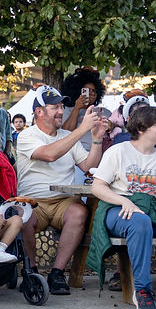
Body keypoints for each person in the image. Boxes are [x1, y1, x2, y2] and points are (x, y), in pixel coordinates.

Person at [16, 85, 107, 294]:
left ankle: (57, 273)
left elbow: (88, 166)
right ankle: (32, 273)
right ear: (39, 111)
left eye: (61, 107)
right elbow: (49, 154)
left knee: (79, 212)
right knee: (22, 215)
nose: (60, 111)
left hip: (63, 201)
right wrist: (81, 130)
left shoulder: (68, 135)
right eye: (55, 107)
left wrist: (96, 138)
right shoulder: (26, 136)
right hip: (32, 201)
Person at [88, 105, 156, 309]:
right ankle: (143, 290)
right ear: (143, 128)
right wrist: (124, 202)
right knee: (140, 221)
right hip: (119, 210)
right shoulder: (118, 151)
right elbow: (97, 186)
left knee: (143, 218)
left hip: (150, 209)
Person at [60, 67, 107, 150]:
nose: (92, 93)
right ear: (78, 91)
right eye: (87, 90)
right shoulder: (66, 110)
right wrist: (77, 108)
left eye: (94, 91)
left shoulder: (102, 111)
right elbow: (66, 134)